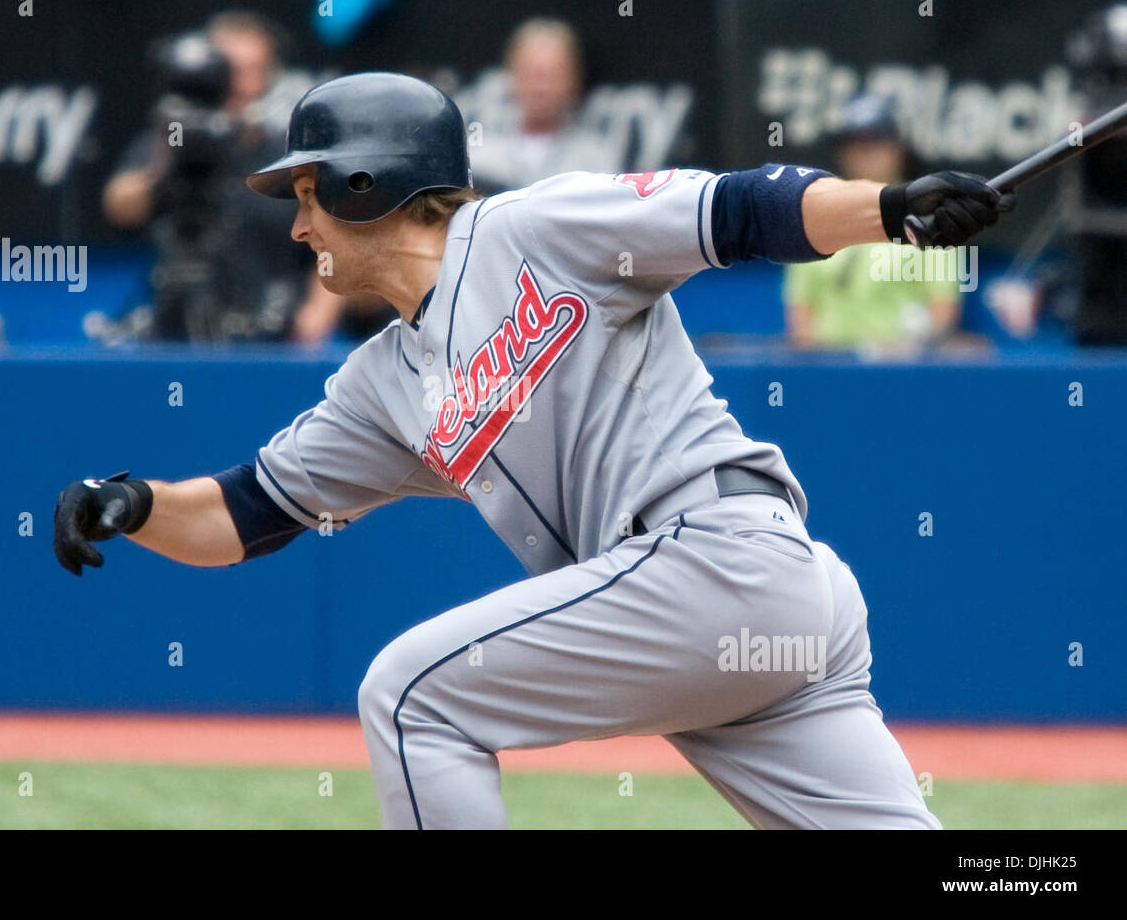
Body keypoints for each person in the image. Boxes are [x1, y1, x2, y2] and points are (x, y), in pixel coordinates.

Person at [55, 72, 1013, 829]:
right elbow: (244, 513)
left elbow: (741, 209)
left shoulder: (530, 229)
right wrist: (133, 506)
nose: (298, 223)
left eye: (309, 192)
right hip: (733, 609)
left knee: (410, 698)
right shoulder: (381, 383)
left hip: (721, 555)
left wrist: (888, 210)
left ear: (369, 182)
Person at [101, 13, 316, 344]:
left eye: (255, 70)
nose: (242, 85)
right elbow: (120, 208)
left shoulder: (290, 156)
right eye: (230, 70)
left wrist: (315, 316)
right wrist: (168, 159)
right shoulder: (168, 142)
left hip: (271, 332)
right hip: (176, 322)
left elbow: (334, 236)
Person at [784, 95, 966, 353]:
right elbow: (800, 315)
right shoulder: (812, 214)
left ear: (898, 149)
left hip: (901, 370)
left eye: (875, 141)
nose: (865, 153)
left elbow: (942, 311)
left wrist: (899, 352)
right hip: (828, 368)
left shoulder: (932, 218)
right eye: (855, 143)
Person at [468, 18, 621, 194]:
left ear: (575, 80)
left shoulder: (596, 160)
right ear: (511, 76)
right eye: (532, 74)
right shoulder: (479, 157)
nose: (541, 87)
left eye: (553, 75)